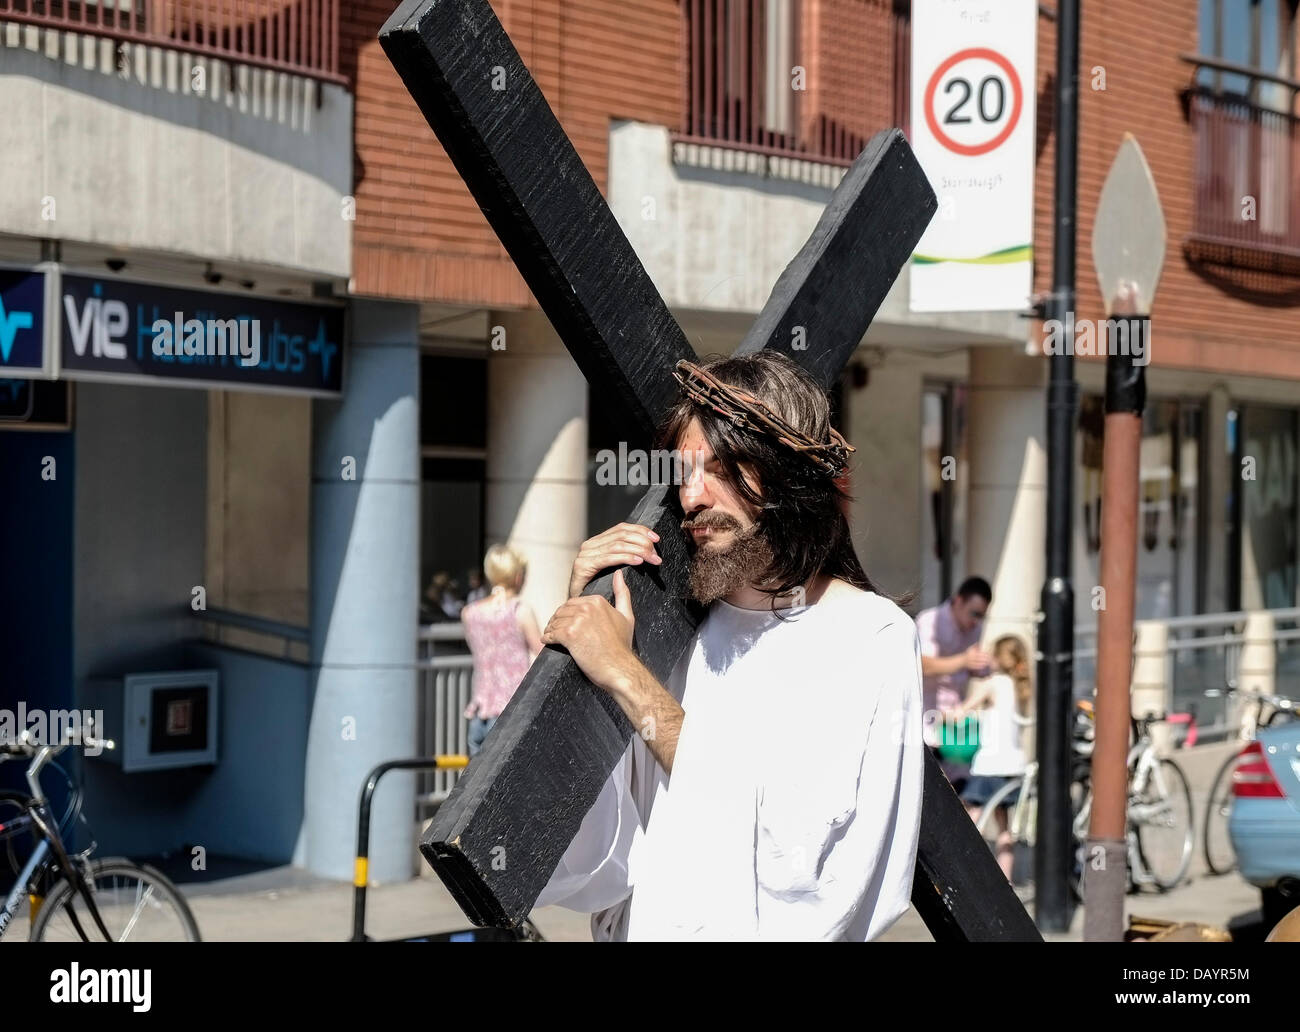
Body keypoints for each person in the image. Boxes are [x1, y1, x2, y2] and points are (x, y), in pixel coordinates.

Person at [533, 351, 925, 941]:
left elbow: (807, 868)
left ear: (786, 472)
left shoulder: (870, 639)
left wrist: (623, 674)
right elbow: (596, 864)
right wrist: (582, 651)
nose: (691, 499)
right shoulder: (670, 632)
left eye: (718, 467)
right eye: (684, 472)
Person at [949, 635, 1032, 881]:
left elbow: (961, 712)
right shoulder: (1020, 687)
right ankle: (1005, 880)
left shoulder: (992, 684)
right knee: (1004, 827)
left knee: (973, 819)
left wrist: (947, 715)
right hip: (1013, 767)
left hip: (989, 765)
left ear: (997, 658)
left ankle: (964, 872)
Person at [461, 545, 543, 756]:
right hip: (510, 711)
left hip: (479, 713)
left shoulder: (470, 613)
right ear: (518, 577)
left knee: (476, 785)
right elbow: (543, 653)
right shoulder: (519, 610)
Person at [915, 576, 993, 791]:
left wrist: (980, 666)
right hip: (926, 726)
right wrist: (964, 661)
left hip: (954, 728)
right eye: (974, 613)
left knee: (960, 792)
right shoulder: (930, 620)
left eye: (982, 616)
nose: (977, 621)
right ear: (958, 601)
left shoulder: (974, 630)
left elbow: (963, 668)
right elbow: (923, 665)